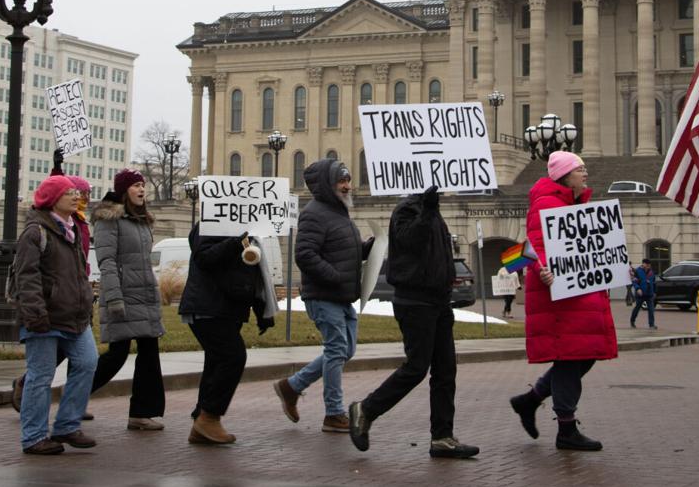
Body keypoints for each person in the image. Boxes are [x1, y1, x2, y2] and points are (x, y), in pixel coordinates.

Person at [348, 185, 478, 460]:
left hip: (439, 302)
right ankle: (366, 409)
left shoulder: (432, 211)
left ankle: (442, 437)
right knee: (417, 367)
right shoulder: (406, 209)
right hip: (415, 303)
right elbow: (409, 242)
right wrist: (428, 210)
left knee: (445, 370)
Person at [508, 152, 615, 452]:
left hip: (576, 293)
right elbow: (534, 244)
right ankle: (566, 429)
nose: (586, 174)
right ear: (565, 176)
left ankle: (530, 401)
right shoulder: (548, 203)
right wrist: (540, 267)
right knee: (570, 357)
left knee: (585, 354)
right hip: (558, 295)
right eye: (580, 170)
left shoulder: (573, 203)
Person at [274, 159, 372, 432]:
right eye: (342, 181)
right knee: (337, 349)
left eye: (348, 180)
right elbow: (304, 255)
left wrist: (369, 248)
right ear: (328, 185)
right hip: (324, 295)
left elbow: (345, 253)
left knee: (345, 350)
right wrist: (334, 276)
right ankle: (333, 412)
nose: (348, 185)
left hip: (341, 296)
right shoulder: (314, 213)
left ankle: (291, 386)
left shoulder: (339, 212)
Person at [14, 176, 99, 456]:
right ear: (53, 199)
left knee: (87, 362)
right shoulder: (36, 232)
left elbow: (77, 273)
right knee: (41, 376)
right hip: (45, 317)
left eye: (76, 192)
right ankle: (34, 437)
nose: (76, 197)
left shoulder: (73, 228)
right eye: (69, 193)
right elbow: (26, 277)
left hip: (74, 314)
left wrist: (85, 300)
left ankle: (66, 425)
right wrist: (35, 314)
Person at [179, 214, 276, 445]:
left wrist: (261, 309)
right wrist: (237, 240)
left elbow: (252, 272)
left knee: (217, 361)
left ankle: (202, 419)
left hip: (225, 308)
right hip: (208, 306)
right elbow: (204, 257)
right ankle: (208, 417)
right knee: (232, 357)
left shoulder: (248, 229)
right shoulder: (211, 222)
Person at [91, 169, 166, 431]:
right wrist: (113, 298)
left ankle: (142, 412)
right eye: (135, 185)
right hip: (122, 296)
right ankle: (74, 395)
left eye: (143, 185)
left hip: (143, 296)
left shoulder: (141, 220)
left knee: (149, 354)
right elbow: (107, 261)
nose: (141, 190)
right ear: (124, 190)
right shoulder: (109, 220)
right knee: (116, 355)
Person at [630, 258, 658, 330]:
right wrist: (637, 289)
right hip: (640, 294)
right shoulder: (637, 271)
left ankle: (651, 324)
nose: (648, 266)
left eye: (649, 265)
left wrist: (654, 292)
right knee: (637, 308)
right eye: (647, 265)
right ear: (643, 264)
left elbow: (654, 283)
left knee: (651, 309)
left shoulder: (651, 272)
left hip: (649, 294)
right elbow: (634, 281)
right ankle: (632, 321)